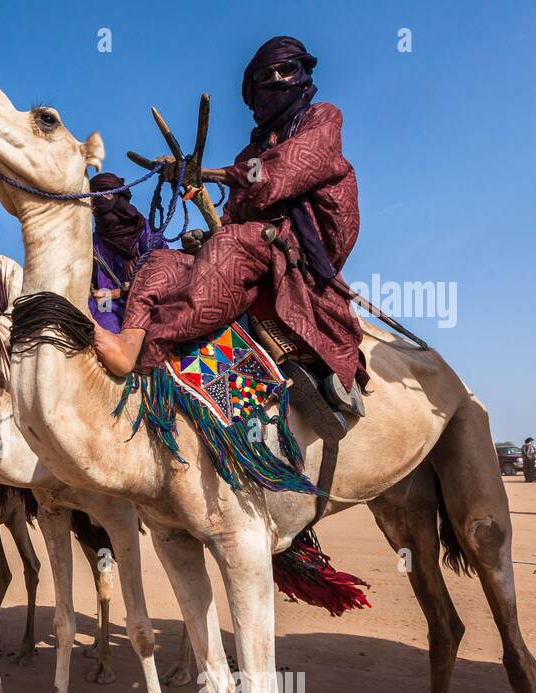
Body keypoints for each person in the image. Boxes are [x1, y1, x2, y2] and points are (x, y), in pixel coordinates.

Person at [94, 36, 364, 440]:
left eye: (286, 69)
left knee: (228, 248)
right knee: (163, 263)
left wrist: (201, 174)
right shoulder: (249, 151)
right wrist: (203, 232)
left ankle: (148, 365)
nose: (276, 79)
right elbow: (236, 211)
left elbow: (286, 169)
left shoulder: (322, 119)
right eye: (264, 75)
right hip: (256, 238)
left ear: (304, 72)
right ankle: (129, 344)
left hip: (303, 248)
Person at [85, 177, 166, 332]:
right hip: (107, 300)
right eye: (96, 198)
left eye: (106, 195)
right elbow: (95, 285)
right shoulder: (94, 243)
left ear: (119, 196)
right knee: (100, 326)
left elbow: (162, 267)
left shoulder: (143, 229)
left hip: (148, 296)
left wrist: (125, 292)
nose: (101, 202)